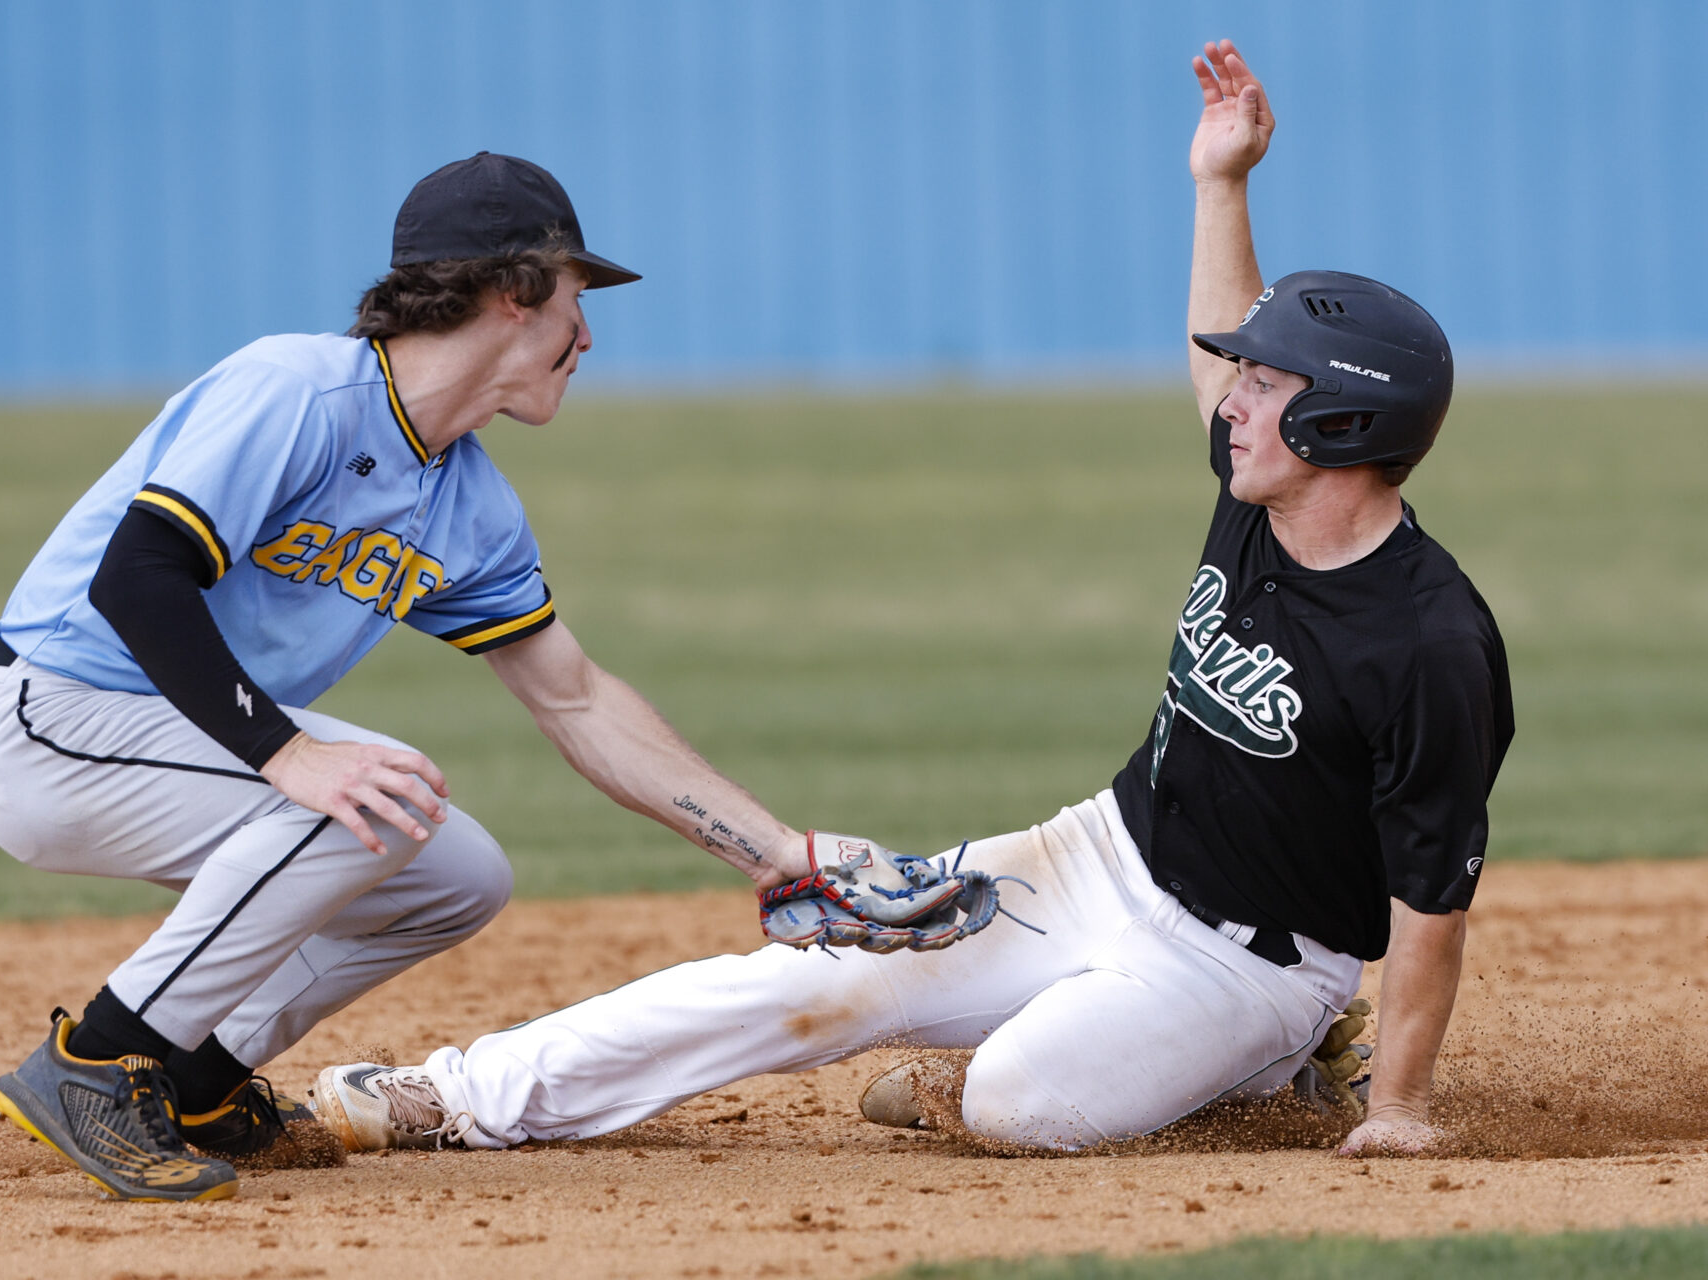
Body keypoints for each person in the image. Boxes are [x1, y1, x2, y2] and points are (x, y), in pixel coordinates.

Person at [309, 41, 1513, 1160]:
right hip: (1101, 854)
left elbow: (1431, 905)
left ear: (1342, 421)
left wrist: (1401, 1109)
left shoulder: (1430, 643)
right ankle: (457, 1093)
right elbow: (1214, 356)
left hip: (1255, 967)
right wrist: (1221, 182)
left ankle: (1279, 1057)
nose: (1232, 398)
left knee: (1014, 1098)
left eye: (1267, 381)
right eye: (1242, 376)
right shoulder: (1260, 495)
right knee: (820, 973)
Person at [0, 153, 890, 1202]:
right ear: (513, 291)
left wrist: (777, 852)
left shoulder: (467, 503)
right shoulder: (299, 389)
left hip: (176, 739)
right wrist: (290, 755)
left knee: (455, 873)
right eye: (576, 297)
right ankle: (95, 1057)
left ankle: (193, 1077)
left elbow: (575, 697)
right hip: (51, 720)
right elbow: (137, 575)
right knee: (360, 792)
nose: (586, 335)